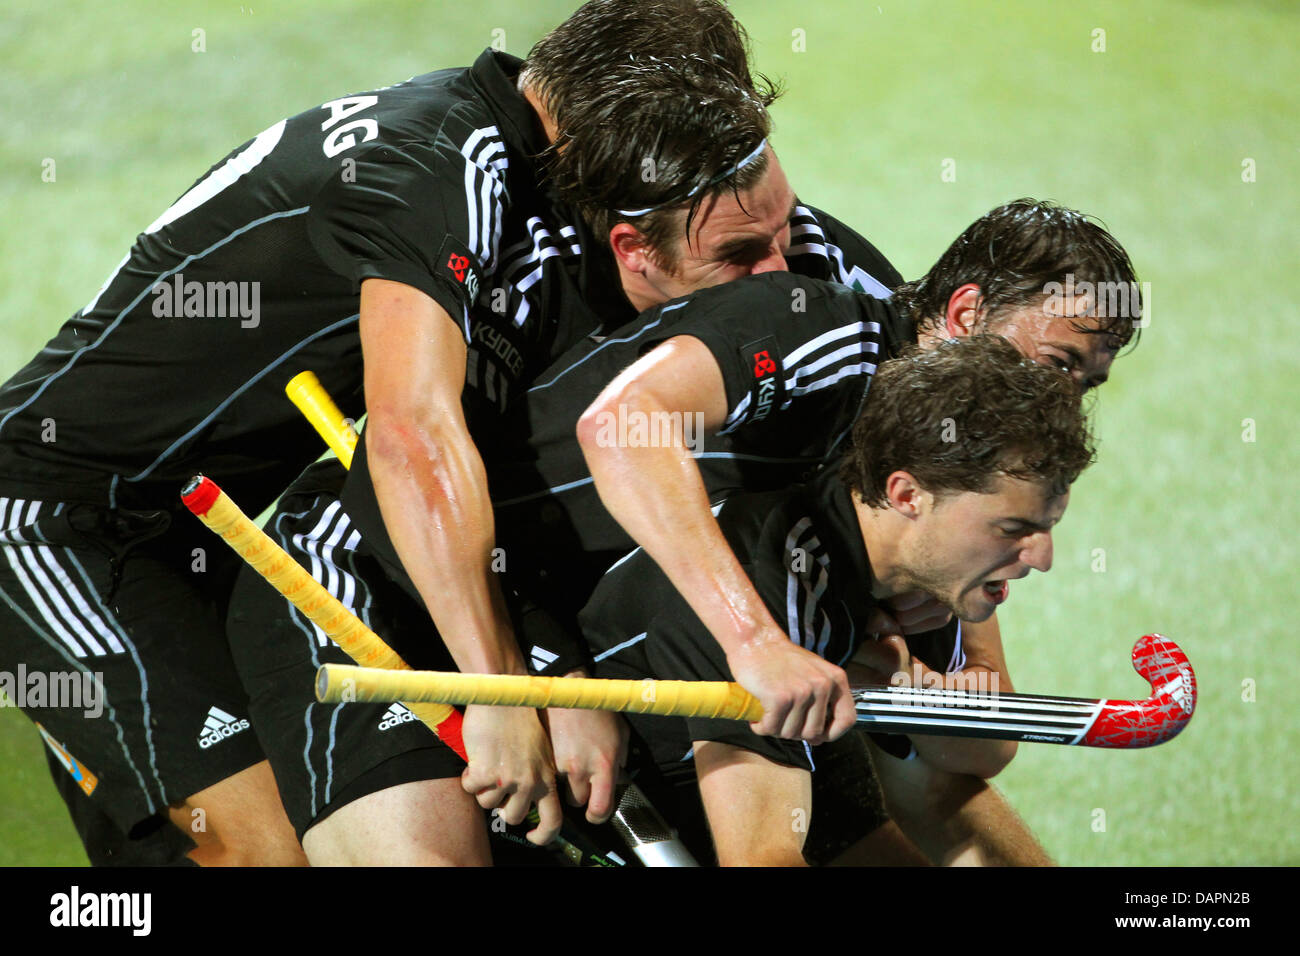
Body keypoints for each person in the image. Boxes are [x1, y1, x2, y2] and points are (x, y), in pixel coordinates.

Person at [0, 0, 792, 865]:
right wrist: (499, 689)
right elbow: (414, 439)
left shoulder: (505, 153)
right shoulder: (436, 168)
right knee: (264, 850)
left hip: (203, 533)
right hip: (57, 520)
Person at [229, 199, 1140, 864]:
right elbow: (614, 433)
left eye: (1084, 386)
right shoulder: (825, 329)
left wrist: (912, 680)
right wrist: (539, 677)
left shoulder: (961, 455)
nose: (1062, 402)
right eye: (1057, 362)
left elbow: (973, 736)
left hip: (649, 644)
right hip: (392, 581)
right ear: (965, 314)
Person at [580, 335, 1096, 865]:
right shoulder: (772, 585)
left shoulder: (914, 574)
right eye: (1015, 528)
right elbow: (762, 858)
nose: (1042, 557)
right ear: (907, 495)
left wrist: (904, 691)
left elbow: (984, 754)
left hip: (799, 785)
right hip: (614, 816)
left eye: (1047, 527)